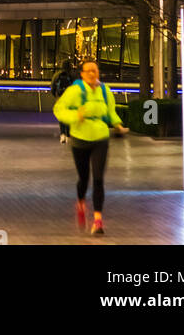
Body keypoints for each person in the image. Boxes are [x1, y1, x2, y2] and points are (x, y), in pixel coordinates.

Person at [53, 57, 128, 236]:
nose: (93, 74)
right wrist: (75, 116)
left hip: (100, 138)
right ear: (82, 74)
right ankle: (80, 202)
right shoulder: (75, 90)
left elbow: (111, 111)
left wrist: (117, 125)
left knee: (98, 179)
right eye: (89, 71)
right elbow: (59, 109)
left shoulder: (104, 90)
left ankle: (97, 220)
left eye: (95, 70)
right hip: (80, 139)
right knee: (84, 178)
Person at [51, 58, 75, 144]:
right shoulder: (72, 75)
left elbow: (53, 88)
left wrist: (56, 96)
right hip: (69, 99)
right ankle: (68, 135)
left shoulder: (57, 75)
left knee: (61, 118)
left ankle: (62, 135)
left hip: (60, 98)